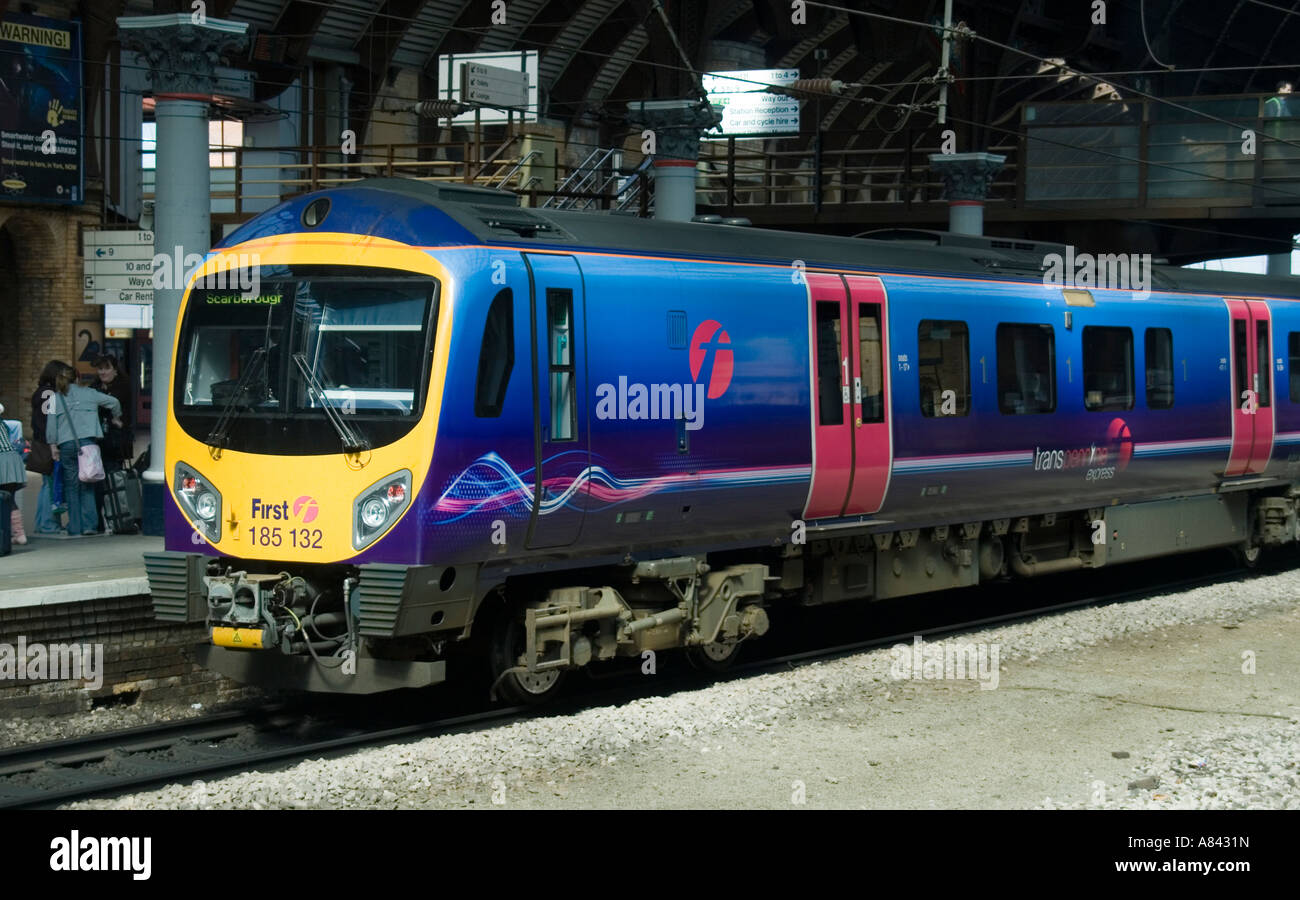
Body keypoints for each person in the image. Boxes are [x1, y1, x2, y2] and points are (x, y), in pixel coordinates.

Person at [45, 362, 120, 537]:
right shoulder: (90, 393)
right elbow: (114, 402)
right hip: (88, 444)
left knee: (71, 486)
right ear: (77, 378)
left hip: (66, 445)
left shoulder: (54, 398)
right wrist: (116, 418)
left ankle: (75, 528)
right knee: (88, 483)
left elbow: (51, 425)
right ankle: (90, 526)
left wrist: (53, 446)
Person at [92, 354, 133, 532]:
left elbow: (120, 413)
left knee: (113, 481)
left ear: (115, 370)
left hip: (115, 442)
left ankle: (117, 519)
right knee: (96, 483)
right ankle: (98, 521)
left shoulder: (123, 387)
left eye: (106, 368)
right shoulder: (94, 387)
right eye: (100, 368)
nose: (102, 372)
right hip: (98, 441)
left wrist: (120, 421)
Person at [30, 361, 64, 534]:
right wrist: (54, 442)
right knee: (51, 485)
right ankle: (48, 524)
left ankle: (42, 523)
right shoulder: (50, 394)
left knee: (47, 484)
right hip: (48, 444)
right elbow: (49, 421)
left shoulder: (40, 392)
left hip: (39, 443)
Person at [0, 401, 26, 548]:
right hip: (12, 458)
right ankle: (19, 534)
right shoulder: (3, 424)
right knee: (9, 499)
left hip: (1, 460)